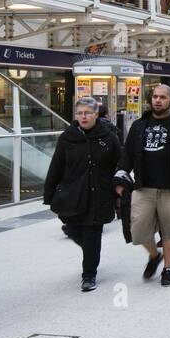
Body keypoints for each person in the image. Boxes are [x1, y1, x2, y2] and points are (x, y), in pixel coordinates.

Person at [114, 83, 170, 287]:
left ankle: (167, 268)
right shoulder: (139, 125)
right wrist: (120, 178)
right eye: (155, 97)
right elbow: (127, 155)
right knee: (138, 231)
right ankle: (154, 256)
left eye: (162, 97)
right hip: (143, 187)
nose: (158, 100)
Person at [43, 96, 121, 291]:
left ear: (96, 114)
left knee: (92, 234)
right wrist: (49, 194)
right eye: (80, 113)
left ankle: (89, 275)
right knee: (72, 229)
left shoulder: (108, 137)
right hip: (72, 194)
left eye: (87, 113)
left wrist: (120, 186)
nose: (83, 117)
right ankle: (90, 251)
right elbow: (56, 166)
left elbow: (119, 164)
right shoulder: (67, 137)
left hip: (100, 194)